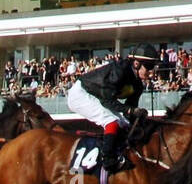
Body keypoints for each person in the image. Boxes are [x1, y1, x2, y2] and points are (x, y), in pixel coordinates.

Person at [68, 45, 159, 173]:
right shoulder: (119, 71)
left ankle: (118, 152)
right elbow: (107, 101)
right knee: (111, 121)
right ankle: (108, 160)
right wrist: (130, 110)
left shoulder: (138, 84)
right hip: (81, 93)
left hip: (98, 96)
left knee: (125, 123)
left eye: (153, 67)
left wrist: (138, 116)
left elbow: (129, 110)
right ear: (137, 64)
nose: (152, 71)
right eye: (149, 67)